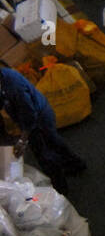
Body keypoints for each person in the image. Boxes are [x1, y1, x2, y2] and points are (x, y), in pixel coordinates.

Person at [1, 67, 85, 195]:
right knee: (54, 142)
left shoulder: (14, 87)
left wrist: (23, 140)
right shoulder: (3, 79)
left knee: (45, 154)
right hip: (29, 113)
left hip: (39, 116)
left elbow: (29, 116)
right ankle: (76, 165)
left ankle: (60, 189)